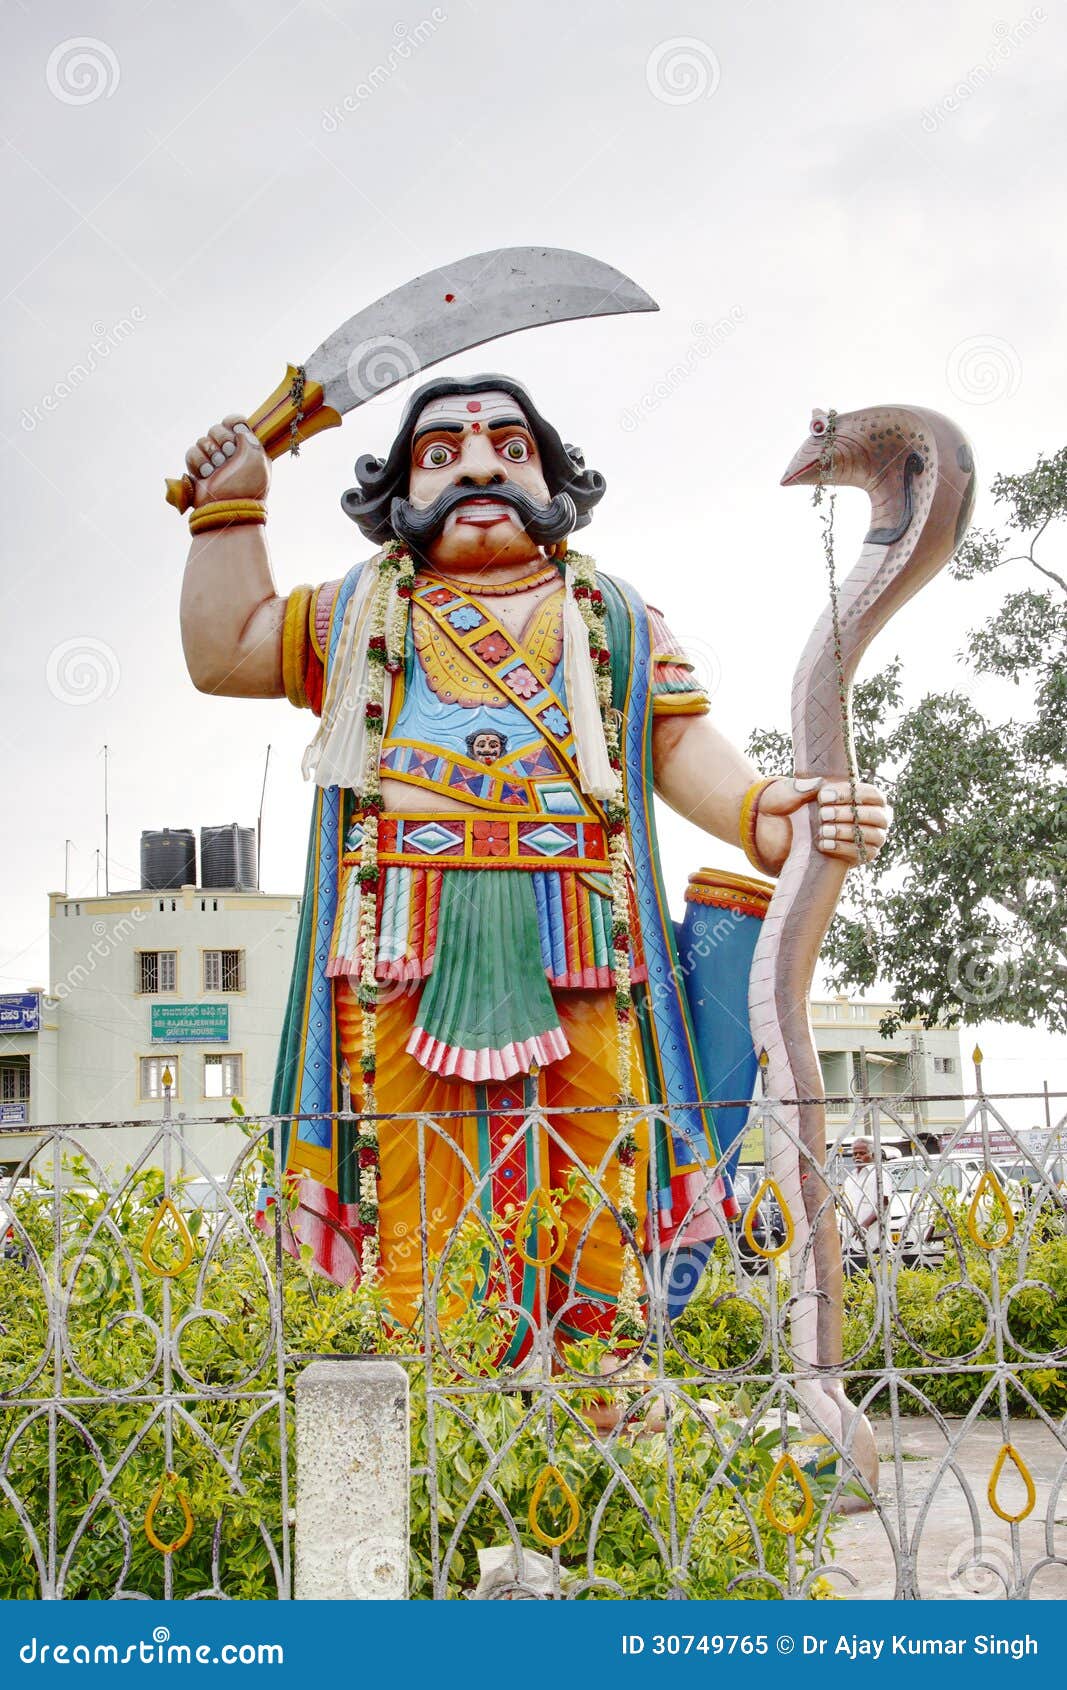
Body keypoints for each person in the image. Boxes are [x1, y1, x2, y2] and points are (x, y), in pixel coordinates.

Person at [178, 375, 889, 1344]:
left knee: (591, 1163)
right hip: (402, 941)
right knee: (415, 1173)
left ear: (552, 478)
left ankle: (598, 1388)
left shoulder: (608, 613)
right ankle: (433, 1387)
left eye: (508, 448)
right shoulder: (362, 610)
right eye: (441, 455)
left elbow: (675, 745)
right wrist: (229, 509)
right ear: (398, 493)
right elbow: (226, 651)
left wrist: (763, 809)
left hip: (580, 935)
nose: (477, 465)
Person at [841, 1137, 889, 1274]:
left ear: (872, 1155)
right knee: (852, 1285)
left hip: (873, 1243)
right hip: (850, 1244)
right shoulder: (850, 1178)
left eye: (862, 1153)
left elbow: (883, 1205)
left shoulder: (879, 1175)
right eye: (855, 1154)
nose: (857, 1157)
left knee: (873, 1284)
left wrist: (864, 1225)